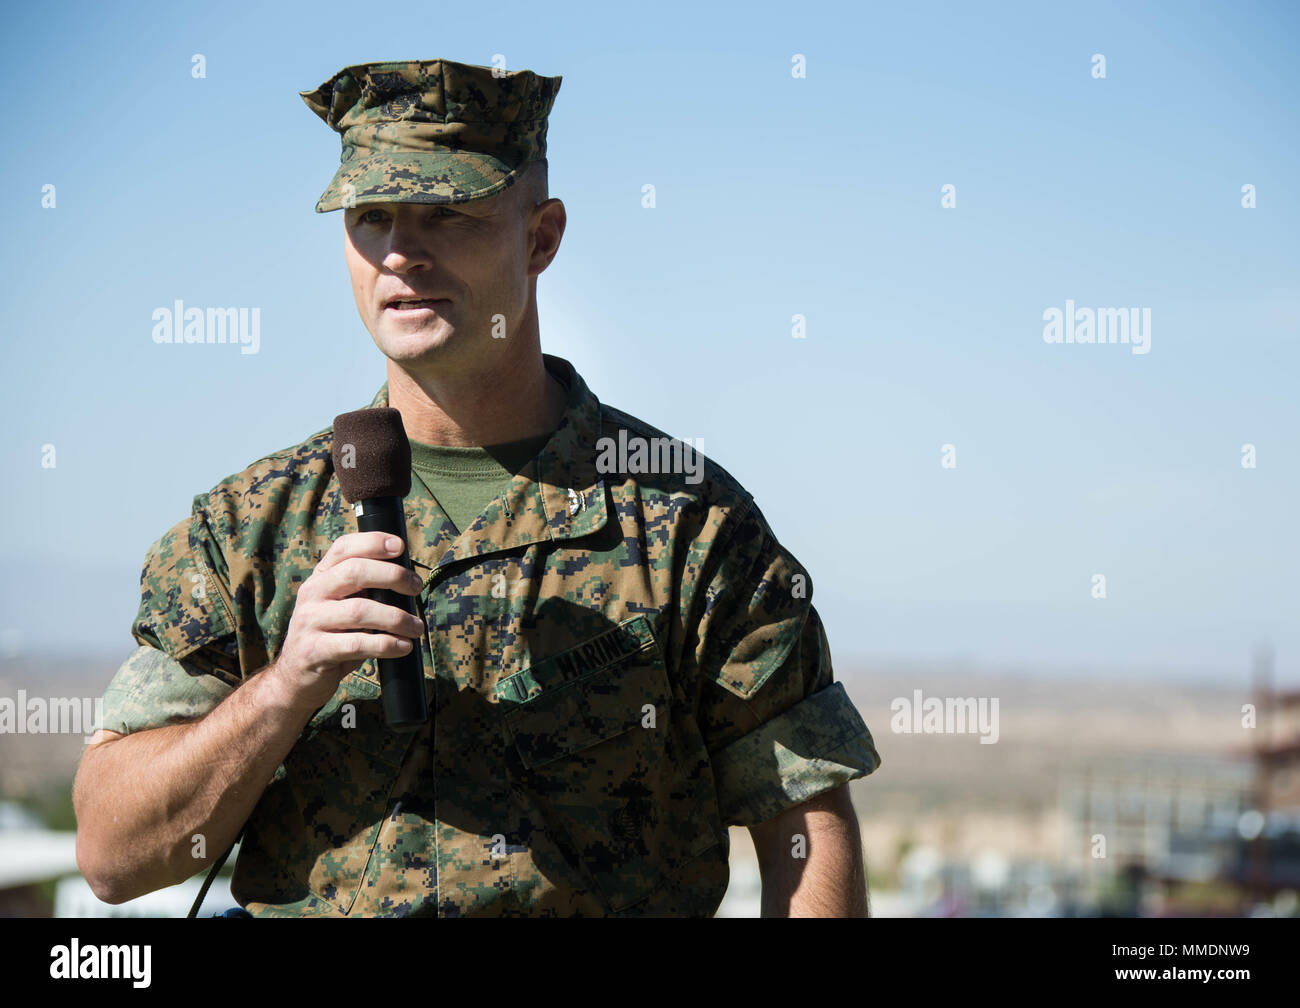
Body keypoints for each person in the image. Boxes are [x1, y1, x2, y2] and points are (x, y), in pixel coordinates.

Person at [72, 57, 882, 917]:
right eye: (373, 217)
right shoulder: (252, 531)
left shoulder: (687, 524)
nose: (401, 252)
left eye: (446, 214)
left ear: (541, 237)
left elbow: (805, 825)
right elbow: (113, 857)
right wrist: (283, 687)